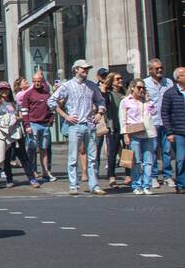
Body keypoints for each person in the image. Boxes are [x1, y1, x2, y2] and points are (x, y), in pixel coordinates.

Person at [49, 59, 108, 195]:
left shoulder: (92, 85)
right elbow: (51, 100)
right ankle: (73, 185)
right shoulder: (67, 86)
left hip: (89, 124)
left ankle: (94, 185)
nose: (86, 71)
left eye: (87, 69)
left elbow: (101, 101)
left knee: (92, 158)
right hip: (74, 125)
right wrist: (65, 116)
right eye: (83, 68)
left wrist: (99, 113)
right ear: (76, 69)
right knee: (73, 157)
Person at [0, 85, 37, 187]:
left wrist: (13, 118)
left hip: (16, 133)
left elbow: (21, 117)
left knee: (23, 156)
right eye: (1, 89)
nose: (4, 91)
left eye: (6, 89)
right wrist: (6, 118)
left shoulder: (15, 103)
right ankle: (9, 179)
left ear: (9, 90)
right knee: (6, 157)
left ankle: (32, 178)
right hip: (4, 134)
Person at [121, 78, 157, 194]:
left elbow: (154, 112)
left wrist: (147, 101)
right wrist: (125, 135)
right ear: (132, 87)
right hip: (134, 134)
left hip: (147, 134)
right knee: (136, 162)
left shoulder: (145, 101)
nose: (141, 90)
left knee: (148, 161)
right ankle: (136, 185)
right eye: (139, 87)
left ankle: (147, 185)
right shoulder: (126, 101)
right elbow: (122, 120)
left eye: (143, 88)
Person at [18, 70, 56, 181]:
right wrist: (27, 125)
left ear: (42, 81)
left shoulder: (47, 94)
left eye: (39, 81)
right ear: (32, 82)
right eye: (35, 81)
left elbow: (52, 109)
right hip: (33, 124)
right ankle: (33, 172)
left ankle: (45, 172)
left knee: (44, 149)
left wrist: (51, 120)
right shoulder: (28, 94)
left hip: (44, 125)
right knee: (32, 149)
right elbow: (24, 111)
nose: (37, 83)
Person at [144, 59, 171, 186]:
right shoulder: (144, 84)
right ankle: (153, 176)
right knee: (153, 149)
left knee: (167, 149)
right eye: (156, 68)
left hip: (166, 121)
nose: (160, 70)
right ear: (150, 70)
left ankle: (167, 176)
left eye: (161, 68)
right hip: (152, 121)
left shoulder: (169, 82)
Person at [162, 67, 185, 193]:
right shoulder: (170, 93)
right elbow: (164, 113)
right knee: (181, 159)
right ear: (178, 78)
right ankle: (181, 184)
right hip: (178, 132)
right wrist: (169, 132)